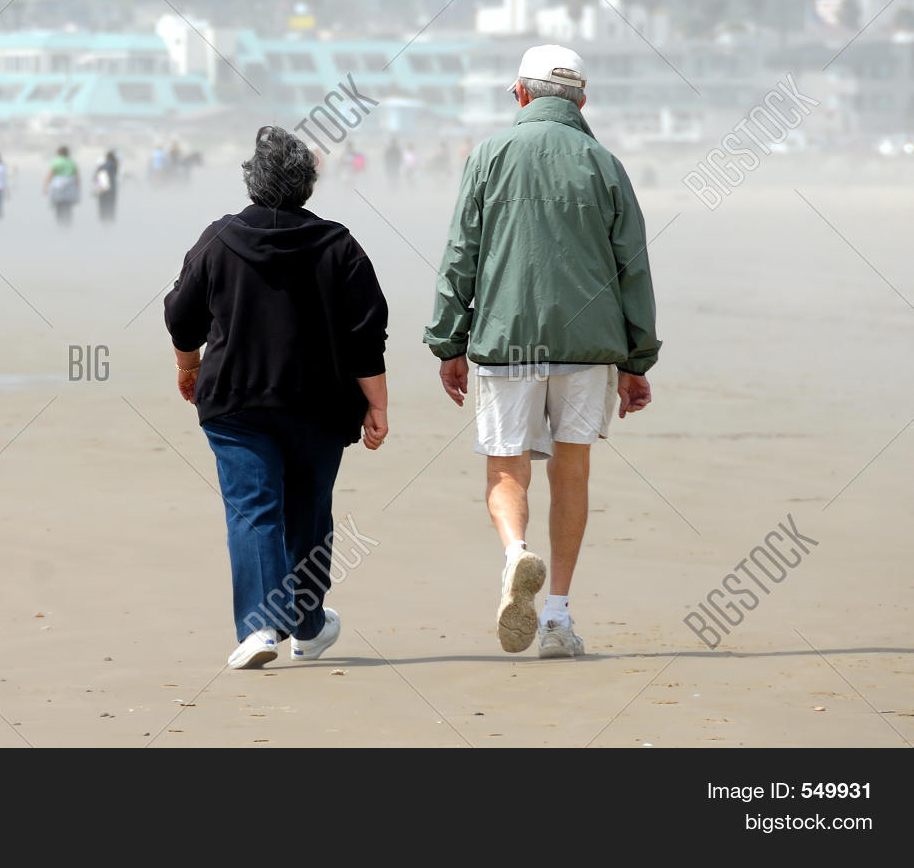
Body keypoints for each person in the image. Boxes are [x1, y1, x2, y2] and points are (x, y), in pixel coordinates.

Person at [424, 44, 660, 660]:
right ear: (582, 101)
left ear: (521, 95)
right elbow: (632, 267)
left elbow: (461, 256)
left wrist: (449, 341)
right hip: (587, 348)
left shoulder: (488, 156)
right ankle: (556, 616)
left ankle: (514, 554)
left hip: (508, 342)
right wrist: (637, 360)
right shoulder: (604, 164)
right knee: (572, 471)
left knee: (507, 467)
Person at [164, 125, 390, 670]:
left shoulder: (219, 238)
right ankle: (308, 628)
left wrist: (188, 367)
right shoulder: (338, 243)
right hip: (320, 404)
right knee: (309, 513)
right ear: (307, 185)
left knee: (253, 511)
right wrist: (378, 405)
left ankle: (263, 629)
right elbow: (367, 331)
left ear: (252, 182)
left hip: (236, 402)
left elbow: (180, 314)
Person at [44, 145, 80, 225]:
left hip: (57, 185)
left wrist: (45, 187)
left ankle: (60, 223)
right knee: (68, 206)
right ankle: (67, 224)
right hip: (70, 185)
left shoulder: (56, 162)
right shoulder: (72, 162)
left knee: (59, 205)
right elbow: (77, 176)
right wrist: (78, 188)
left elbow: (50, 174)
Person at [94, 149, 119, 223]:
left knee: (103, 206)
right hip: (112, 188)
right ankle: (110, 222)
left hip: (103, 187)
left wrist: (96, 188)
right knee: (111, 206)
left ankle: (104, 222)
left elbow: (96, 177)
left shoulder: (102, 165)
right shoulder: (115, 165)